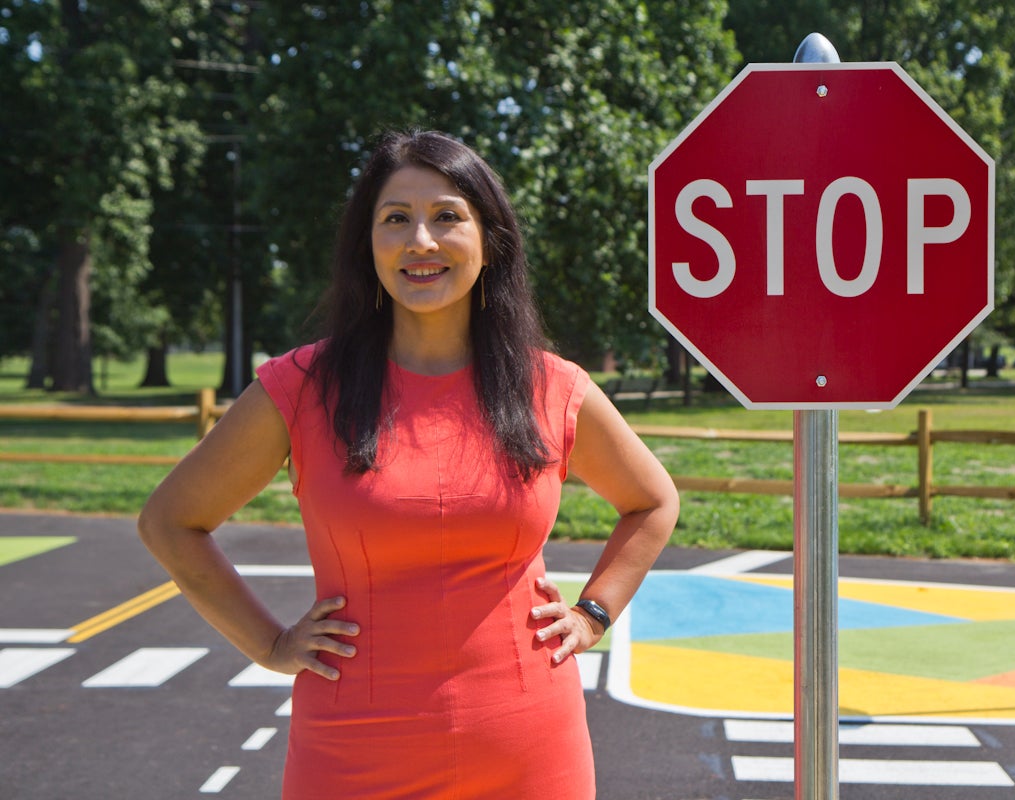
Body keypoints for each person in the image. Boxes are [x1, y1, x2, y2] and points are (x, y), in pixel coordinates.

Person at [138, 129, 679, 799]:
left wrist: (594, 612)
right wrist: (270, 645)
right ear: (368, 245)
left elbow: (653, 501)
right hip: (351, 753)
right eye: (396, 219)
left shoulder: (551, 387)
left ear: (490, 240)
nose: (420, 240)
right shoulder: (302, 387)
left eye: (447, 216)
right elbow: (171, 521)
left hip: (530, 747)